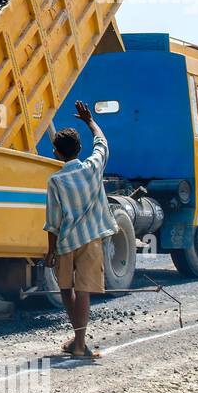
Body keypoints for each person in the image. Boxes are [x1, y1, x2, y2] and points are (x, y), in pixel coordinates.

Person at [43, 101, 114, 359]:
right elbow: (102, 142)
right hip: (91, 239)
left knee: (65, 288)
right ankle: (80, 342)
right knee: (83, 289)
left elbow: (53, 221)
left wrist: (50, 251)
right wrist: (90, 121)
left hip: (65, 242)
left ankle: (78, 339)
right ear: (80, 149)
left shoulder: (56, 181)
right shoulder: (93, 167)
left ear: (56, 153)